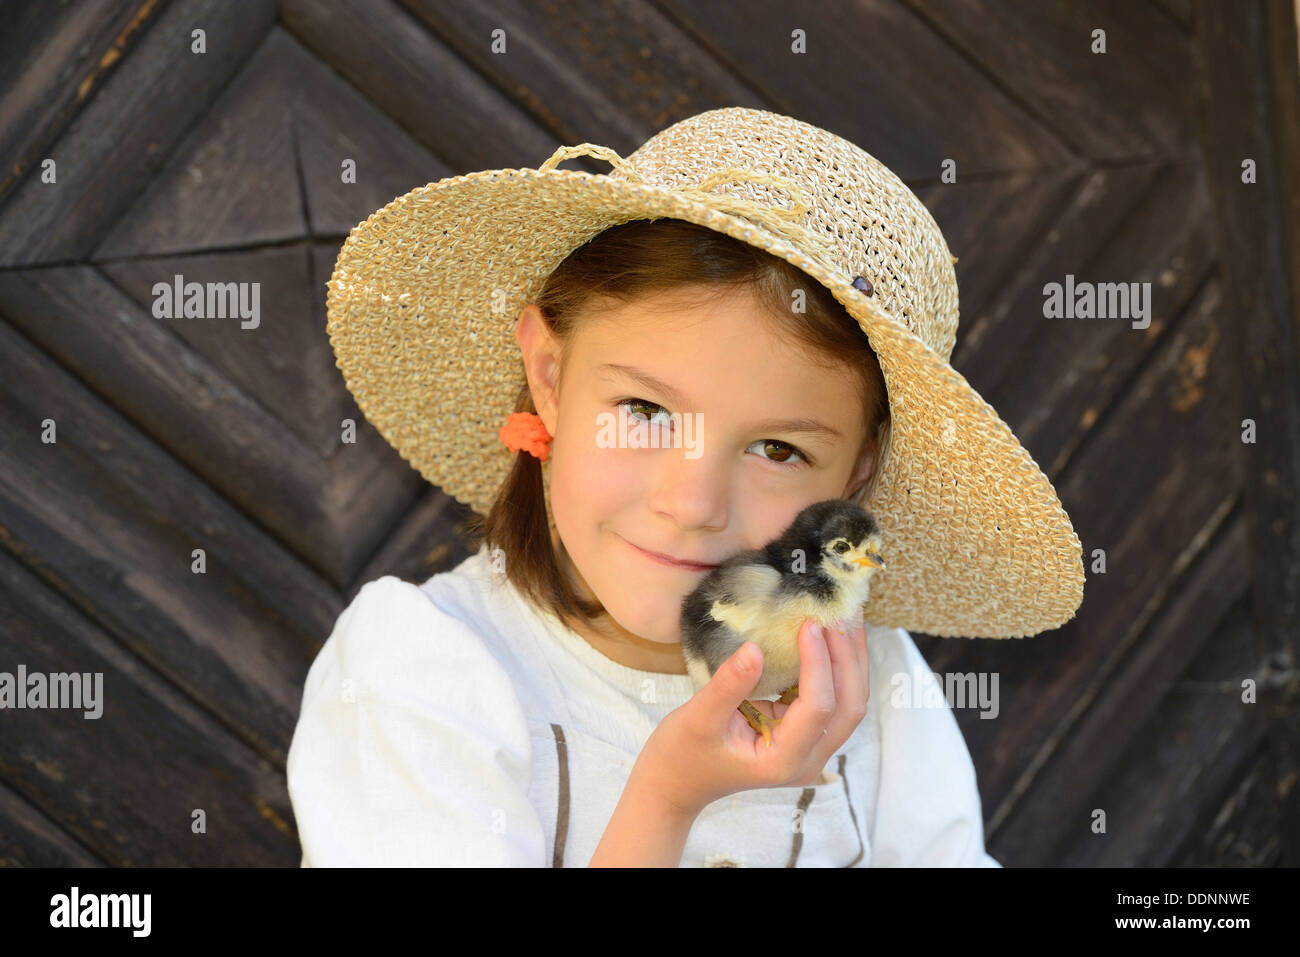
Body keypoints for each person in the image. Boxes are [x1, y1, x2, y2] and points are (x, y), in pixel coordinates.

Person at [286, 107, 1084, 867]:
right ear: (550, 378)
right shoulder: (422, 675)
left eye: (777, 448)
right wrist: (668, 797)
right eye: (645, 409)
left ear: (856, 477)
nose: (693, 502)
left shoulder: (871, 682)